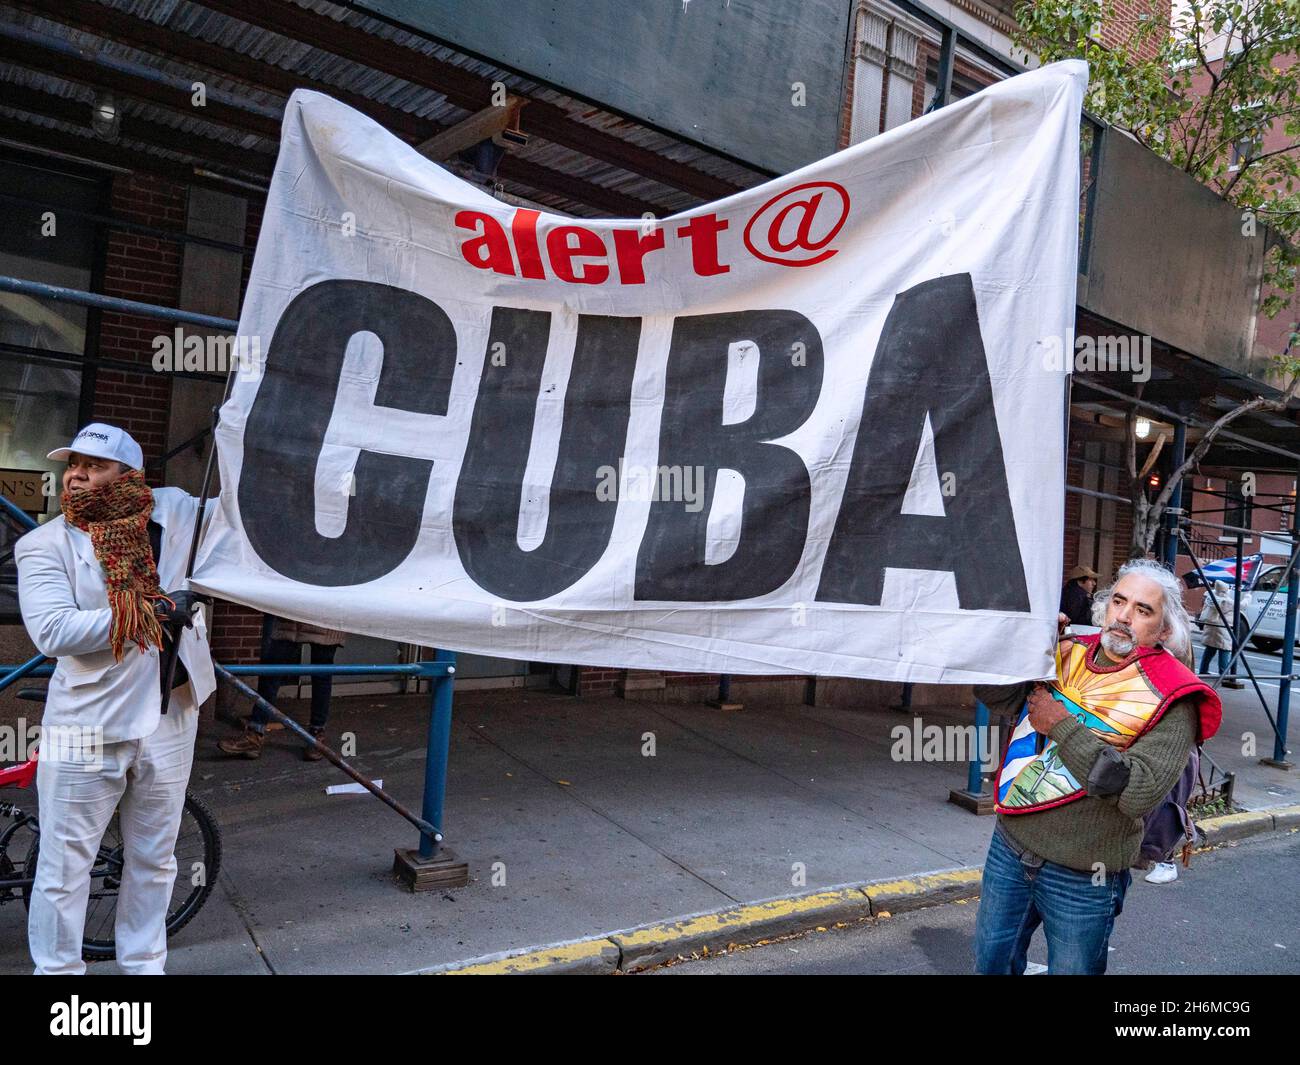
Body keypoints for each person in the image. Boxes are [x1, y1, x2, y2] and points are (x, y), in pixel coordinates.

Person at [14, 423, 215, 975]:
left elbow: (245, 507)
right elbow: (54, 631)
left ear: (129, 476)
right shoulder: (43, 544)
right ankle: (58, 977)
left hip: (171, 715)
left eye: (93, 466)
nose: (76, 475)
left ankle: (145, 966)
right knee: (64, 867)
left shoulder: (173, 513)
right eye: (71, 465)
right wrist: (150, 611)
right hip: (87, 724)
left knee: (154, 860)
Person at [972, 558, 1221, 975]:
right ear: (1104, 605)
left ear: (1163, 630)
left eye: (1143, 610)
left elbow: (1137, 792)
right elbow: (992, 695)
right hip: (1011, 845)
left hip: (1086, 873)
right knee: (990, 964)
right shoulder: (1065, 651)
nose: (1124, 617)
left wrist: (1063, 726)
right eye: (1119, 601)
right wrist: (1027, 647)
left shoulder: (1175, 698)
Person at [217, 617, 345, 760]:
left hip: (321, 615)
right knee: (272, 670)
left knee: (321, 674)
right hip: (291, 616)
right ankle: (255, 733)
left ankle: (316, 735)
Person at [1196, 579, 1236, 680]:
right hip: (1223, 628)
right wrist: (1248, 596)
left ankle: (1203, 670)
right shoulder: (1224, 601)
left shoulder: (1210, 596)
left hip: (1211, 626)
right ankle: (1223, 674)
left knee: (1210, 650)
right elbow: (1241, 606)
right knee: (1225, 650)